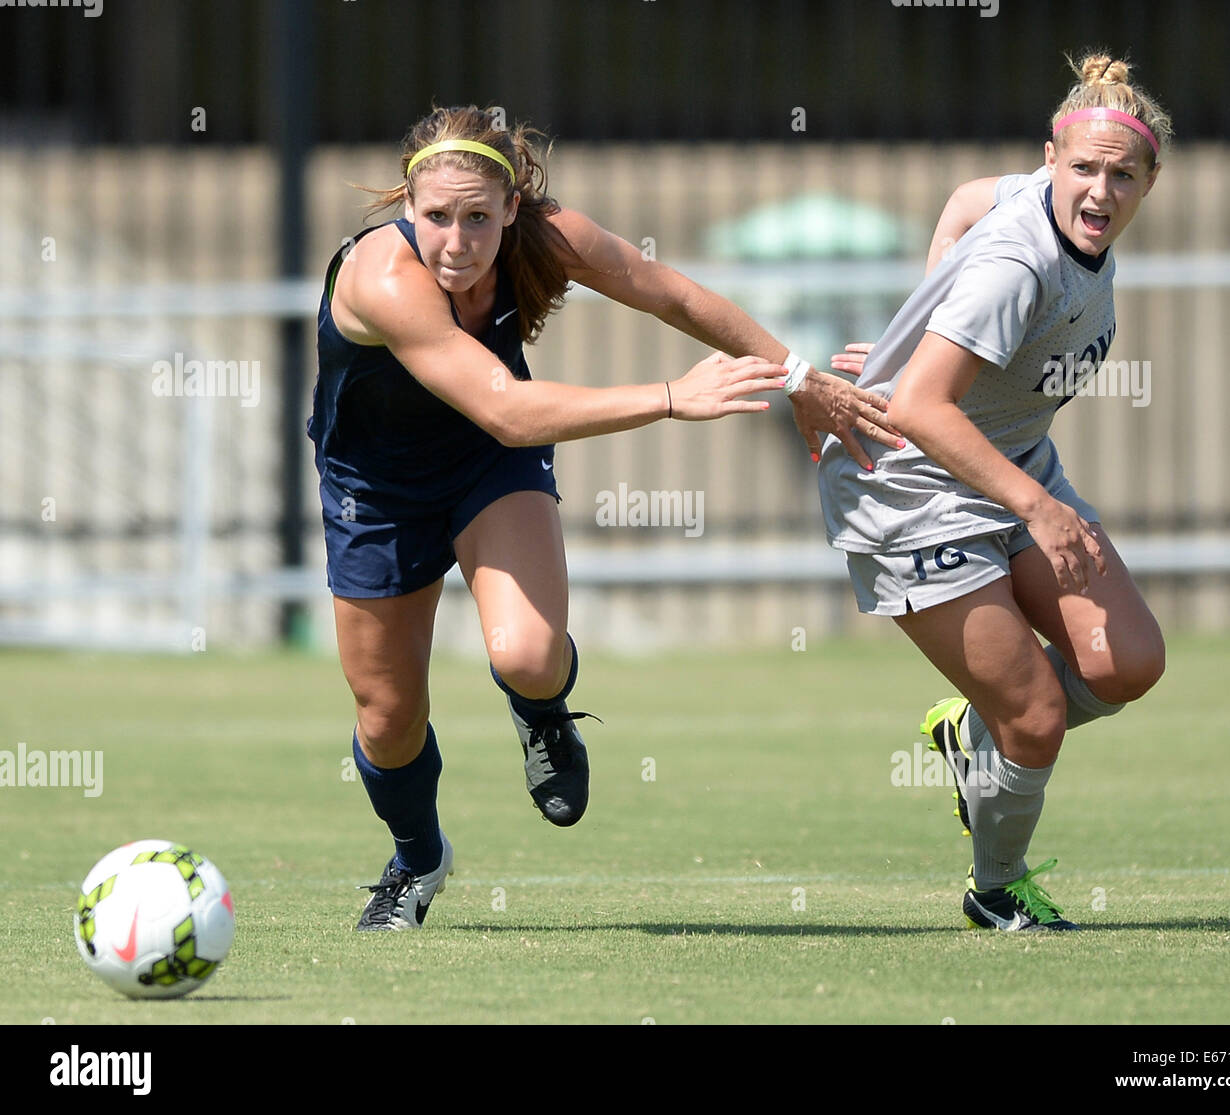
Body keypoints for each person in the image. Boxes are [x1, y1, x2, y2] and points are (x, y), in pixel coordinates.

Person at [310, 103, 902, 930]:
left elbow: (672, 293)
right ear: (407, 206)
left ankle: (543, 714)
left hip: (487, 463)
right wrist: (670, 397)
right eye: (436, 216)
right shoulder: (381, 278)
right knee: (386, 714)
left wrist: (800, 376)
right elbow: (510, 408)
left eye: (478, 217)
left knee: (527, 653)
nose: (456, 239)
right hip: (375, 488)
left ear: (512, 208)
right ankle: (416, 858)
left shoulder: (545, 237)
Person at [819, 54, 1171, 930]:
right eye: (1083, 169)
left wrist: (921, 319)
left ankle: (971, 737)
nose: (1099, 191)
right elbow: (920, 408)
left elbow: (966, 197)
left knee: (1127, 661)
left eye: (1121, 174)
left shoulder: (1037, 198)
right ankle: (996, 885)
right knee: (1039, 716)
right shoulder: (1019, 266)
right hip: (909, 487)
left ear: (1149, 181)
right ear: (1052, 159)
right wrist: (1038, 506)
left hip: (1005, 463)